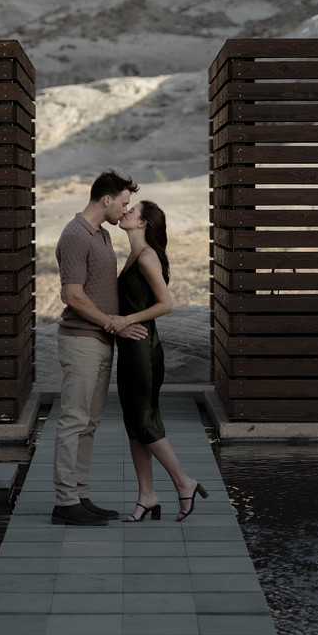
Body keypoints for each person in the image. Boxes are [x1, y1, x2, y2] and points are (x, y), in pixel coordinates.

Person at [51, 169, 147, 526]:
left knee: (88, 423)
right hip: (81, 340)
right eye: (123, 203)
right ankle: (64, 502)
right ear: (106, 199)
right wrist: (111, 322)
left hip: (101, 341)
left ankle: (79, 495)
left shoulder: (102, 235)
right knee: (74, 421)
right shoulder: (76, 235)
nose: (125, 210)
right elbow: (72, 295)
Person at [115, 199, 208, 523]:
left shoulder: (147, 256)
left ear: (143, 223)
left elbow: (165, 303)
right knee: (133, 424)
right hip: (130, 349)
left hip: (143, 349)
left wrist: (126, 320)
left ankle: (184, 482)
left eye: (132, 211)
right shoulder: (133, 255)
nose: (125, 212)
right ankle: (147, 496)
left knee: (144, 422)